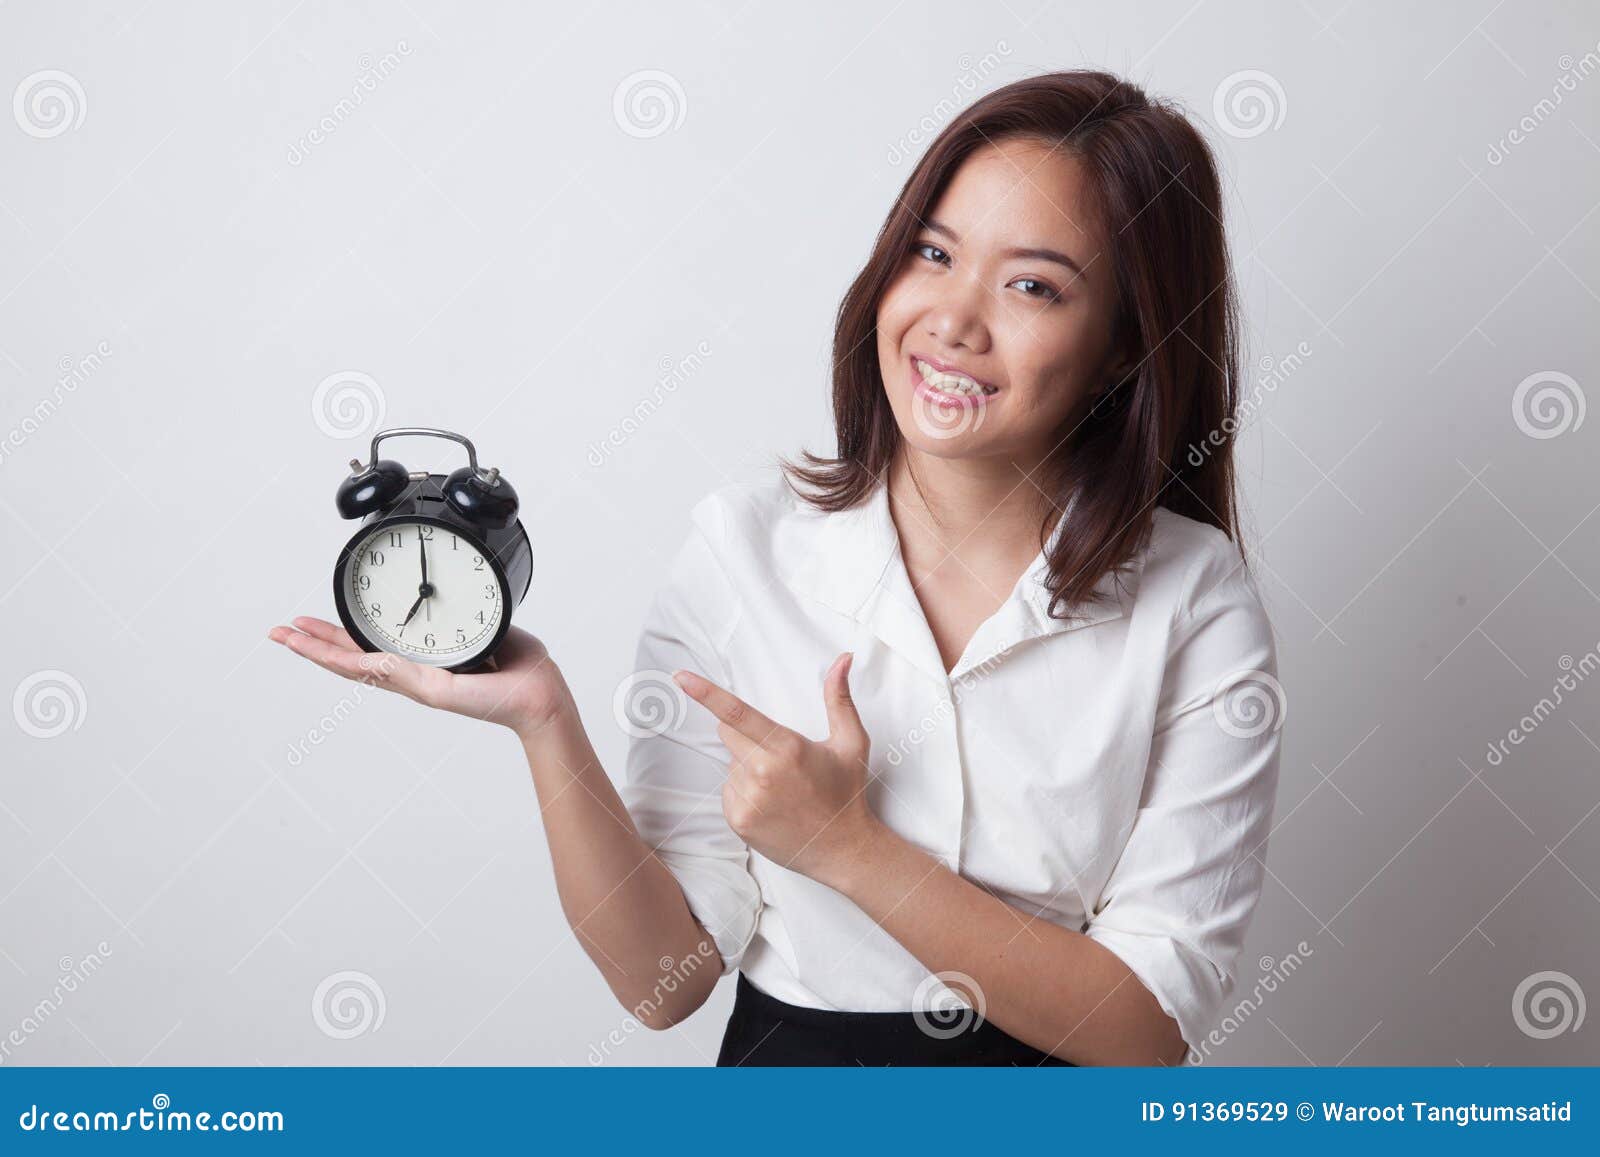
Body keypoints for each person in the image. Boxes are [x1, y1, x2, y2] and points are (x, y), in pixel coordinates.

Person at [269, 69, 1282, 1067]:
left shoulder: (1193, 598)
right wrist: (545, 721)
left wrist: (847, 847)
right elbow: (662, 980)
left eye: (1031, 285)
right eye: (932, 253)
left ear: (1122, 346)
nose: (952, 320)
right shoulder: (742, 547)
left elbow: (1142, 1031)